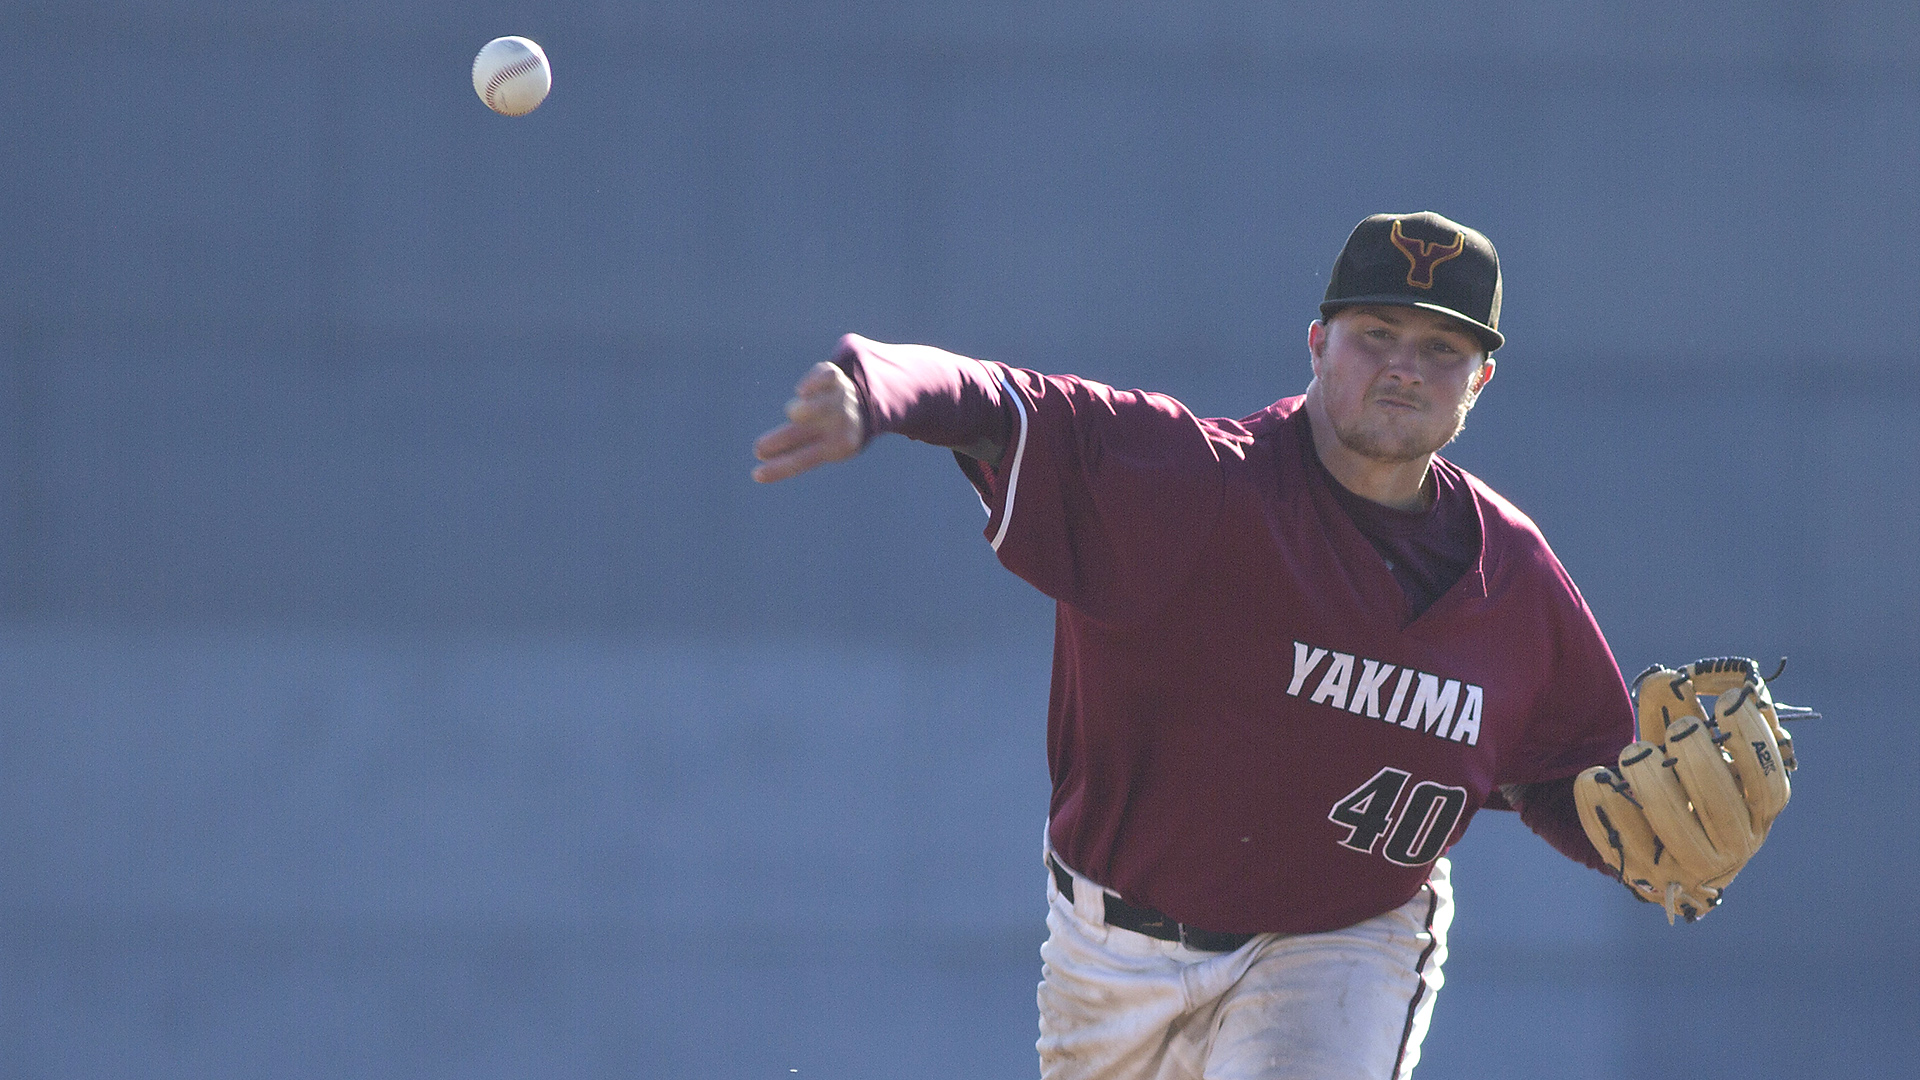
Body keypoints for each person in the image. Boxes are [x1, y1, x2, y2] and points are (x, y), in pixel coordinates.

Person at [751, 211, 1634, 1080]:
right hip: (1113, 958)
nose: (1405, 366)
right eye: (1377, 333)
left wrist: (1644, 850)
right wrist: (874, 385)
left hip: (1345, 941)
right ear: (1318, 344)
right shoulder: (1193, 486)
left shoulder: (1513, 576)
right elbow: (997, 402)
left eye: (1442, 347)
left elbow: (1570, 776)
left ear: (1481, 378)